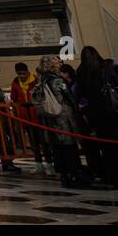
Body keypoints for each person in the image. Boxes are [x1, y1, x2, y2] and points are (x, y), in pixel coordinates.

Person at [32, 56, 87, 188]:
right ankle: (73, 174)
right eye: (57, 62)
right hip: (62, 117)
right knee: (68, 146)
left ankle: (64, 175)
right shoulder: (56, 79)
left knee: (58, 147)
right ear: (52, 65)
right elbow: (64, 97)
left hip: (50, 118)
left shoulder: (42, 79)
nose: (59, 64)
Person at [75, 46, 118, 186]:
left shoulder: (81, 71)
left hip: (95, 113)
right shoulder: (107, 65)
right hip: (112, 110)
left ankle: (111, 175)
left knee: (105, 146)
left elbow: (80, 92)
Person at [9, 62, 48, 171]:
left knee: (44, 142)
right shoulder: (15, 82)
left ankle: (50, 164)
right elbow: (14, 98)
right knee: (33, 143)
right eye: (19, 74)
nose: (21, 76)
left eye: (23, 73)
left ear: (27, 72)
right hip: (24, 116)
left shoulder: (36, 80)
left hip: (37, 115)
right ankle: (39, 165)